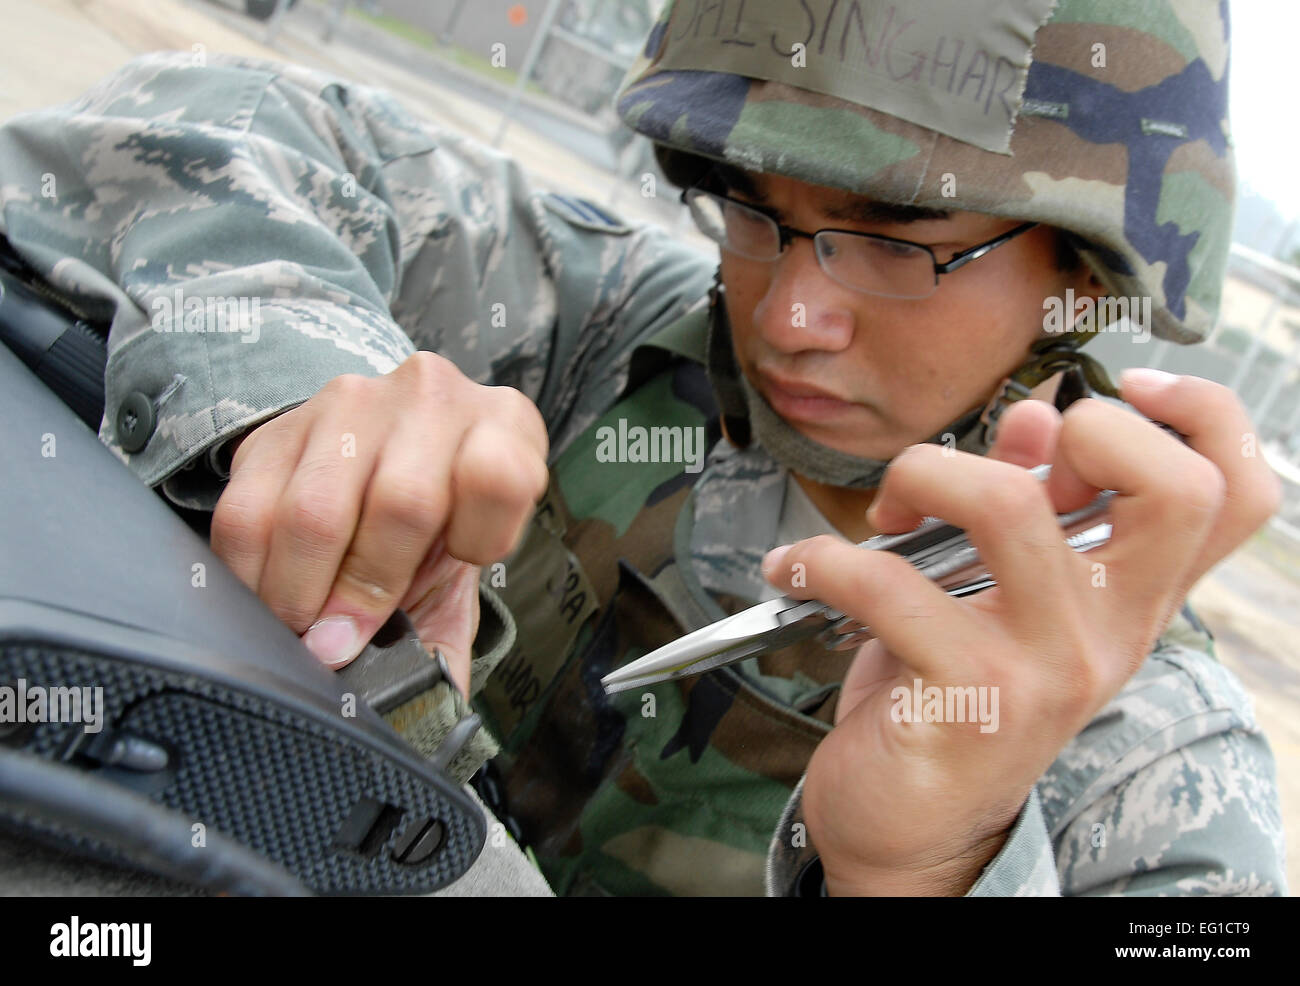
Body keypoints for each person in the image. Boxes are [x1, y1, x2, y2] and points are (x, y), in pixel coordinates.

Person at [0, 0, 1286, 896]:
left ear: (1081, 271)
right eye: (751, 209)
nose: (788, 315)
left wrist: (930, 867)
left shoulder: (1150, 756)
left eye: (894, 240)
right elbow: (187, 116)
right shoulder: (613, 324)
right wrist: (303, 387)